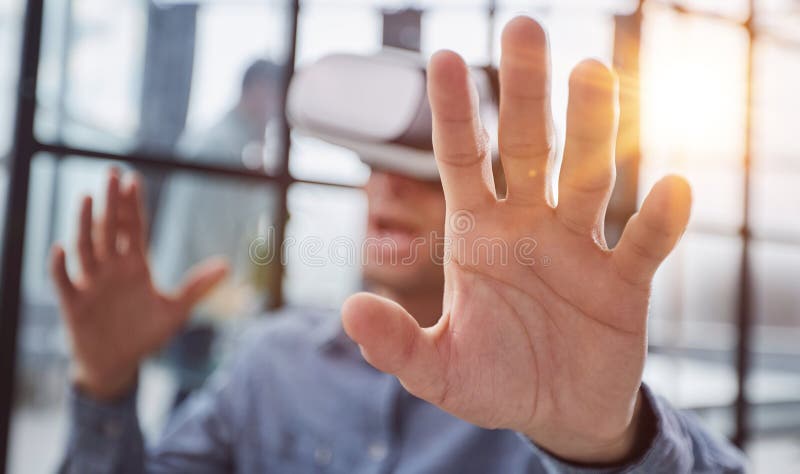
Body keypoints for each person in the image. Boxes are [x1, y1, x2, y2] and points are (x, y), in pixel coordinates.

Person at [52, 17, 745, 473]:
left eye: (428, 172)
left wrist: (605, 447)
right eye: (375, 167)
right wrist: (104, 388)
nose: (387, 189)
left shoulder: (561, 399)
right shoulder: (271, 366)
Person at [151, 59, 283, 405]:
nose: (275, 113)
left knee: (190, 399)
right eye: (275, 99)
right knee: (192, 403)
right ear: (258, 91)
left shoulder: (224, 143)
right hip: (199, 302)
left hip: (196, 300)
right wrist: (238, 302)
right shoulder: (221, 148)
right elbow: (214, 240)